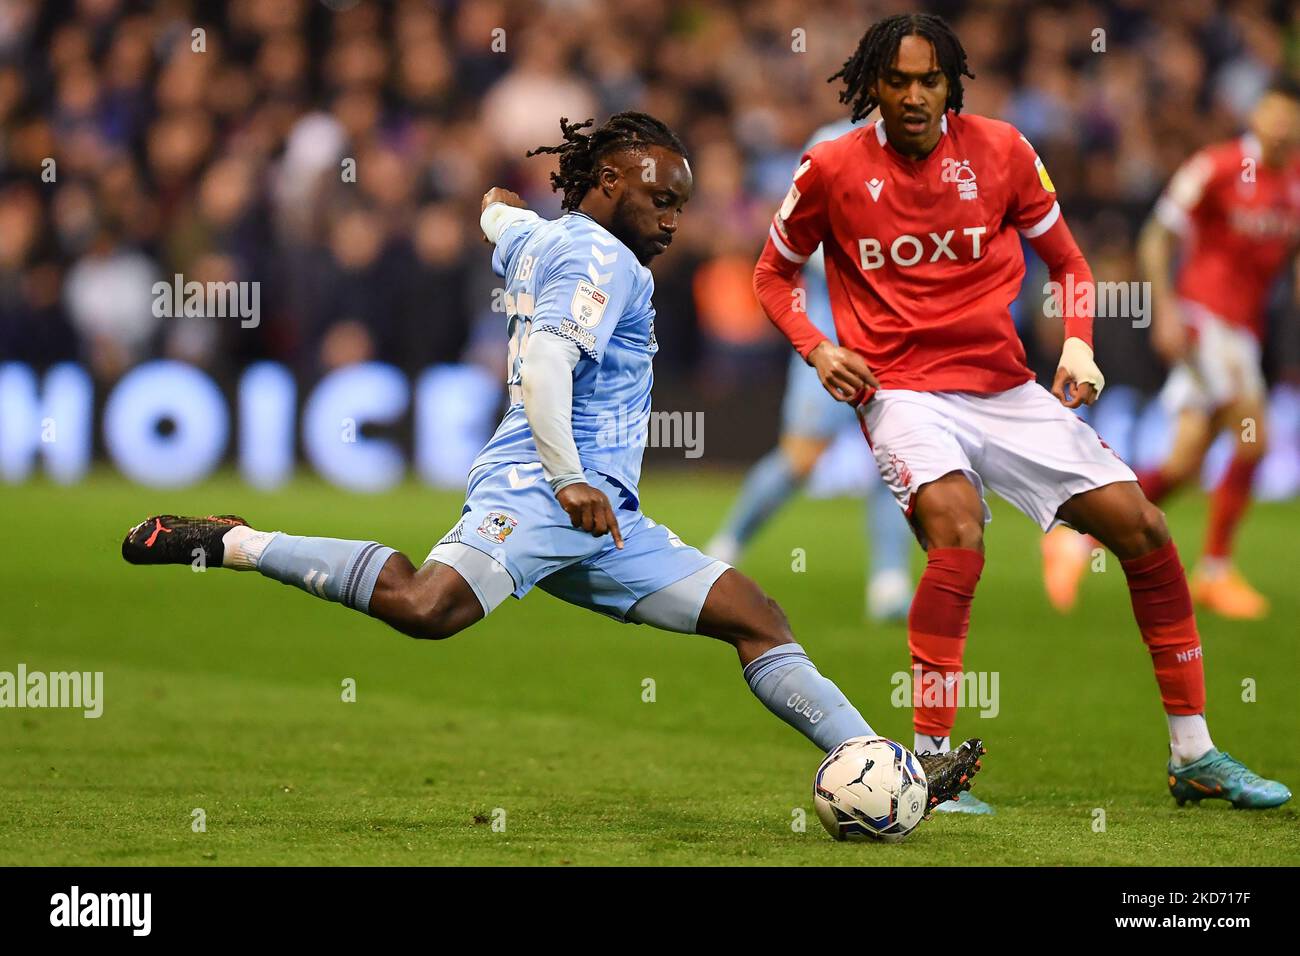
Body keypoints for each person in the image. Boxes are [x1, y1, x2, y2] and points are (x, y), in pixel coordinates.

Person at [122, 111, 984, 816]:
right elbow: (543, 363)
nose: (673, 218)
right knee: (429, 608)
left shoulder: (547, 240)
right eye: (659, 197)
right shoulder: (604, 260)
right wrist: (567, 476)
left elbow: (500, 219)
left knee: (755, 615)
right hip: (544, 493)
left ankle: (878, 762)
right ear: (610, 184)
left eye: (681, 203)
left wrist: (501, 207)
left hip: (607, 520)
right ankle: (236, 542)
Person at [751, 14, 1289, 811]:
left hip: (1004, 387)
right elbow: (772, 274)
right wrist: (818, 346)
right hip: (898, 387)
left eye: (927, 80)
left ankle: (1194, 752)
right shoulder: (829, 168)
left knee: (1143, 528)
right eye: (895, 81)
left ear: (950, 84)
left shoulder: (1002, 151)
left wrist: (1077, 344)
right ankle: (929, 766)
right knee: (956, 526)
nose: (911, 95)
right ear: (872, 86)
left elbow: (1069, 262)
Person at [1043, 80, 1300, 620]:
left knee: (1183, 463)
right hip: (1205, 320)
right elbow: (1158, 235)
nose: (1280, 126)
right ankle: (1215, 570)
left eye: (1290, 119)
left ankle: (1077, 540)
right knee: (1255, 440)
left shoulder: (1294, 183)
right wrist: (1166, 309)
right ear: (1258, 115)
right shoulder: (1219, 166)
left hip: (1245, 332)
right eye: (1273, 114)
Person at [707, 121, 914, 623]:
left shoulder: (921, 143)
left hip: (901, 333)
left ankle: (889, 580)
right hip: (832, 330)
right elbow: (797, 232)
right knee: (800, 456)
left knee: (898, 457)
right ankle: (722, 549)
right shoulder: (829, 142)